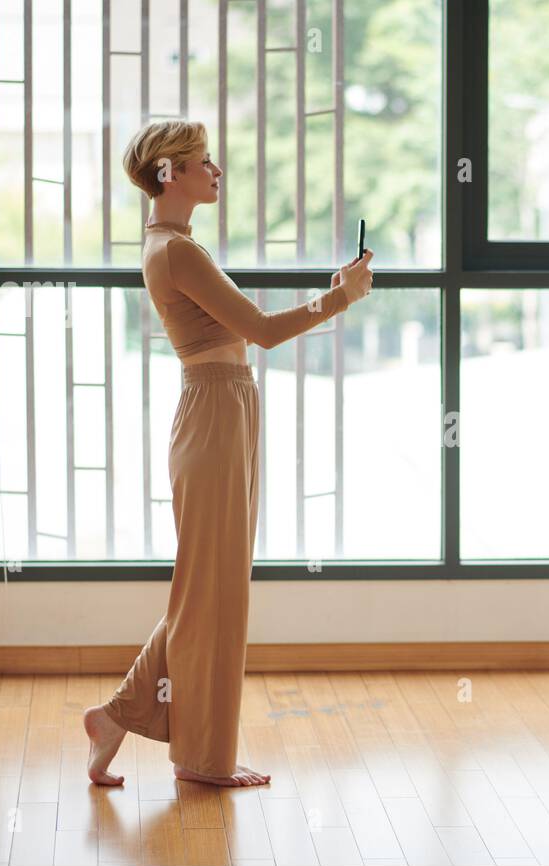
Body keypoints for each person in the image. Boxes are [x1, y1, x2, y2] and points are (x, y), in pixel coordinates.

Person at [81, 119, 374, 787]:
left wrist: (334, 293)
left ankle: (119, 717)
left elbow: (251, 332)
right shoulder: (177, 252)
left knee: (209, 591)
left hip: (226, 407)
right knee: (212, 595)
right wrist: (342, 297)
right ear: (168, 174)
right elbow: (264, 331)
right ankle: (199, 757)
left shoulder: (178, 244)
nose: (216, 171)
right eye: (202, 161)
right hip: (215, 412)